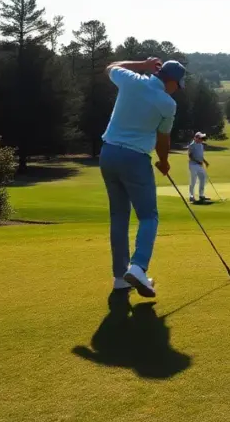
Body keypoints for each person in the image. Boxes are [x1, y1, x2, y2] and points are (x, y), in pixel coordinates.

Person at [98, 57, 186, 298]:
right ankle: (138, 267)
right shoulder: (167, 104)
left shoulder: (131, 80)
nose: (177, 90)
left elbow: (110, 67)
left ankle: (120, 278)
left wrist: (143, 64)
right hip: (135, 159)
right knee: (149, 216)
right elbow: (163, 138)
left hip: (108, 154)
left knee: (119, 216)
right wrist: (164, 161)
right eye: (178, 85)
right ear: (171, 81)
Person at [187, 132, 209, 203]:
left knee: (203, 178)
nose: (202, 140)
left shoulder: (201, 145)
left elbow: (200, 156)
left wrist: (205, 161)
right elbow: (190, 156)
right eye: (200, 138)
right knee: (193, 180)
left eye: (202, 138)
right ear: (196, 138)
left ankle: (201, 195)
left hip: (199, 165)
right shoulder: (192, 145)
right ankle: (191, 196)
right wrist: (197, 161)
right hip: (193, 165)